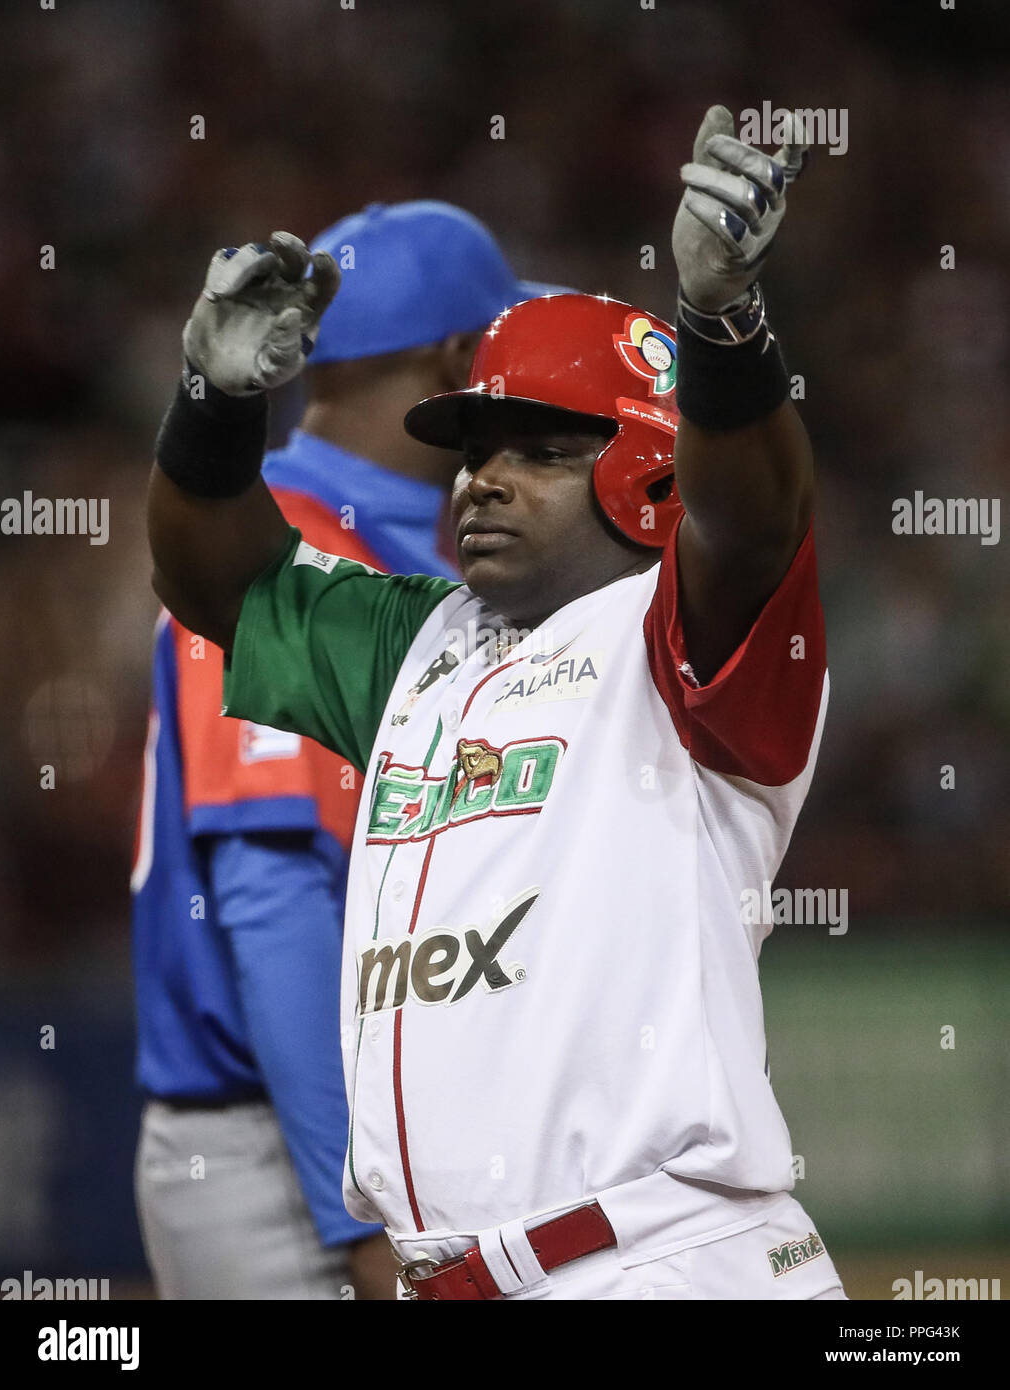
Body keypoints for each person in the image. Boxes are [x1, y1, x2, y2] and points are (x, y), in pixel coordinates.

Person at [145, 107, 847, 1300]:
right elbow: (212, 578)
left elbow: (753, 513)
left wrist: (722, 322)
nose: (482, 478)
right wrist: (212, 410)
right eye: (473, 448)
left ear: (645, 467)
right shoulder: (413, 641)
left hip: (662, 1263)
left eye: (536, 449)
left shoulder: (687, 636)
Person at [131, 201, 561, 1299]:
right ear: (463, 355)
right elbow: (274, 898)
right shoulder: (282, 534)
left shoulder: (424, 545)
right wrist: (357, 1218)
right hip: (285, 1148)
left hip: (394, 1142)